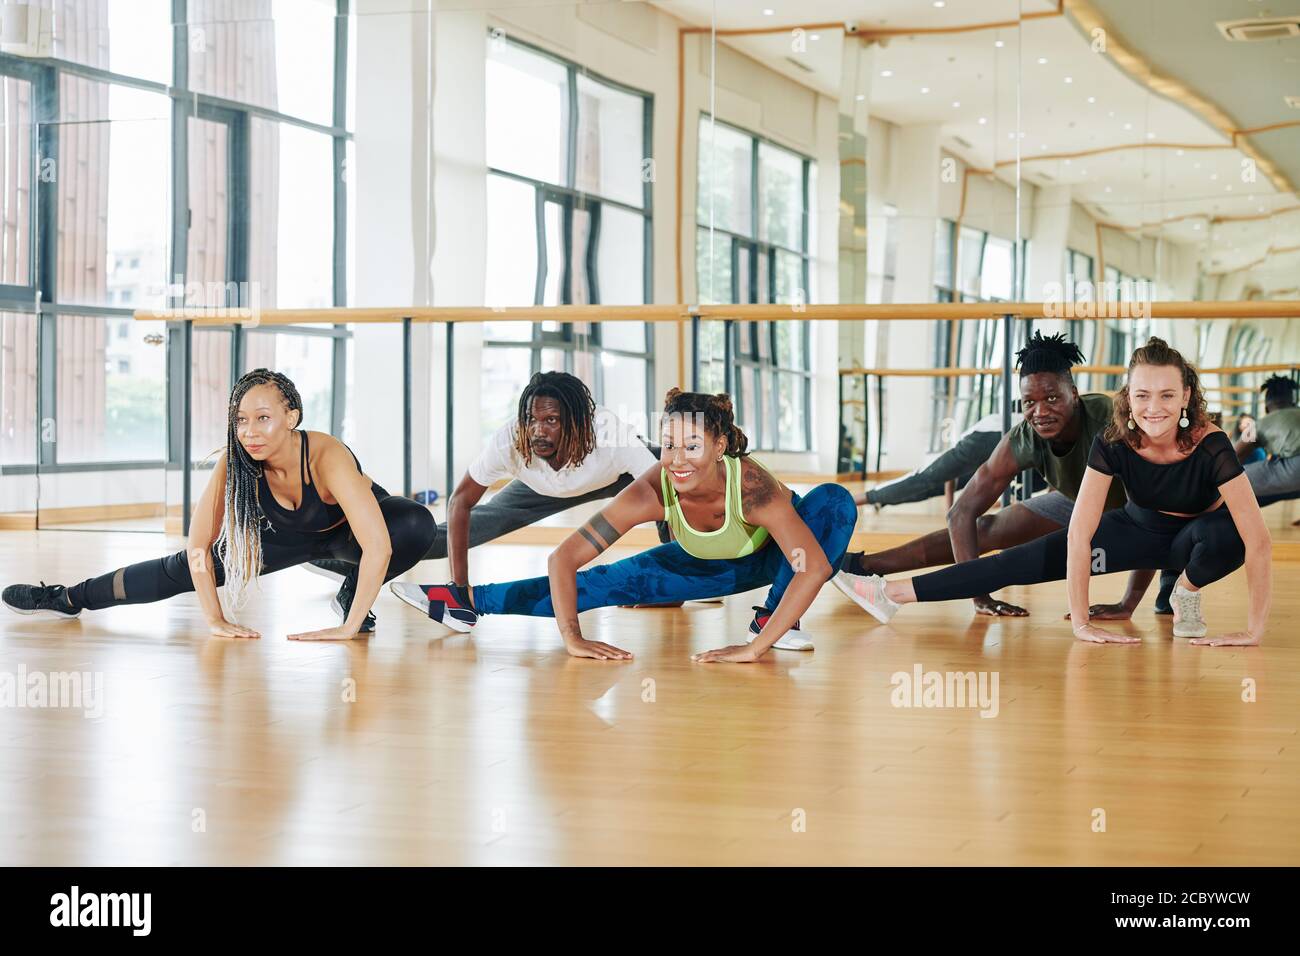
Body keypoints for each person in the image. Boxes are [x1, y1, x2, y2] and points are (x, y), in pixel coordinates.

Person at [838, 338, 1271, 647]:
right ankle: (888, 592)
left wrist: (1253, 630)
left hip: (1195, 539)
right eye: (1142, 394)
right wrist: (1081, 623)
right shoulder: (1115, 438)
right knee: (1015, 563)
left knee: (1227, 534)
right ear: (1129, 397)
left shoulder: (1209, 443)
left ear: (1186, 396)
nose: (1153, 407)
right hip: (1134, 530)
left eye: (1166, 395)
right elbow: (1080, 533)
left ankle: (1185, 591)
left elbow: (1258, 540)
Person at [392, 389, 859, 662]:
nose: (677, 460)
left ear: (720, 447)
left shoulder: (752, 486)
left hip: (780, 558)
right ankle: (461, 601)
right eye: (668, 445)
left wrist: (755, 650)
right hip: (709, 565)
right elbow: (565, 558)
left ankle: (771, 619)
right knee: (600, 582)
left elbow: (812, 566)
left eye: (692, 446)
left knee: (834, 501)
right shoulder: (655, 487)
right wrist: (572, 638)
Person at [2, 369, 435, 640]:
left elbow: (377, 545)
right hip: (281, 539)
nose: (250, 431)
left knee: (415, 523)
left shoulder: (326, 454)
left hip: (349, 539)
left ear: (292, 416)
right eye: (241, 420)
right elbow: (196, 548)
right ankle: (66, 597)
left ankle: (351, 594)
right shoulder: (236, 460)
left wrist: (348, 626)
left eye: (263, 417)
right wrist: (215, 618)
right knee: (177, 570)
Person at [834, 332, 1154, 619]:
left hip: (1130, 508)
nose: (1040, 412)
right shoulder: (1023, 437)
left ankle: (1173, 581)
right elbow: (962, 512)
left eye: (1052, 398)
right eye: (1030, 402)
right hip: (1076, 499)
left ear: (1073, 393)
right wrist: (978, 595)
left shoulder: (1111, 424)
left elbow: (1154, 511)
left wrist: (1128, 604)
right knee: (986, 528)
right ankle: (862, 567)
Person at [307, 371, 669, 611]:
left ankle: (677, 582)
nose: (537, 430)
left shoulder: (609, 433)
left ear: (576, 422)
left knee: (679, 477)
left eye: (551, 421)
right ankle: (345, 560)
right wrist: (458, 585)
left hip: (615, 476)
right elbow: (461, 500)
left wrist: (666, 586)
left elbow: (664, 492)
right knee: (451, 533)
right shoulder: (512, 441)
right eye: (531, 419)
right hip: (538, 486)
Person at [1150, 374, 1300, 612]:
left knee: (1222, 486)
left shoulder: (1261, 423)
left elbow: (1231, 457)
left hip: (1292, 471)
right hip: (1291, 478)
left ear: (1267, 404)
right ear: (1294, 400)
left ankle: (1172, 578)